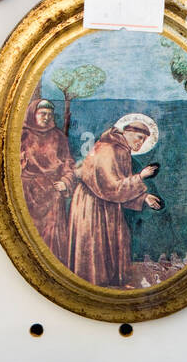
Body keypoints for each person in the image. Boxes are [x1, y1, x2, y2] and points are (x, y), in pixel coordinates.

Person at [67, 119, 163, 287]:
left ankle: (112, 282)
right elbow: (111, 186)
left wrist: (144, 198)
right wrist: (141, 177)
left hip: (108, 202)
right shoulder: (108, 149)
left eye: (144, 140)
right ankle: (92, 287)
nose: (140, 143)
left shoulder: (122, 150)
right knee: (95, 242)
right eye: (139, 137)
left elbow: (120, 186)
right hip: (92, 203)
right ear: (127, 132)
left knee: (117, 237)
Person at [20, 98, 77, 260]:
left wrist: (65, 181)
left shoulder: (58, 136)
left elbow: (68, 163)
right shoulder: (23, 135)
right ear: (33, 114)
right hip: (29, 192)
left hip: (52, 191)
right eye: (42, 113)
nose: (46, 117)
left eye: (49, 114)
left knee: (52, 237)